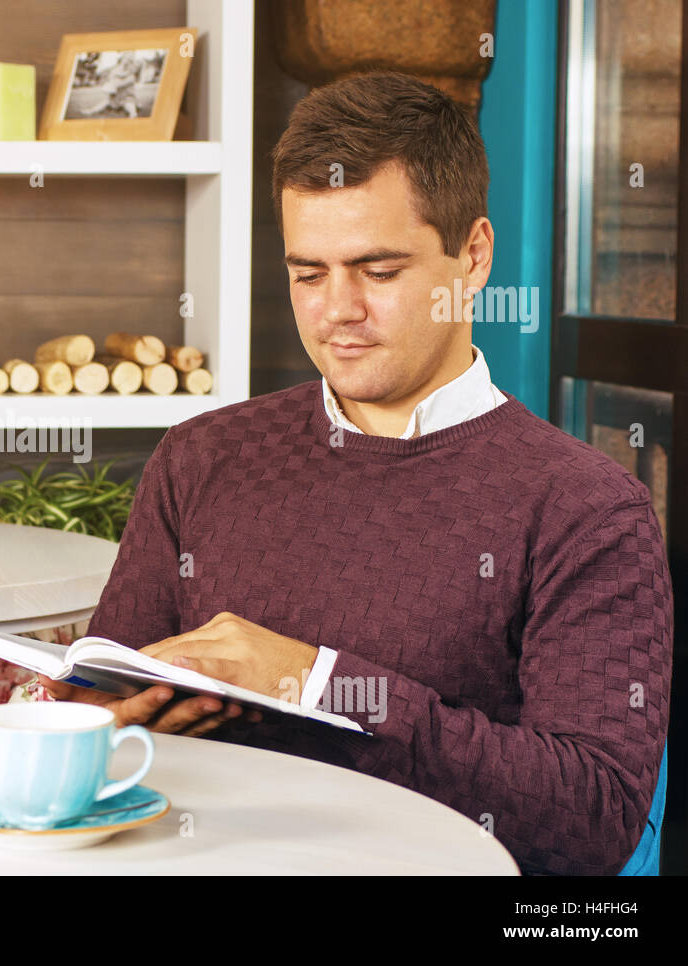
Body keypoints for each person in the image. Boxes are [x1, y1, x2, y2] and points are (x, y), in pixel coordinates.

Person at [41, 70, 672, 876]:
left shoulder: (588, 510)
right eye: (308, 273)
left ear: (472, 258)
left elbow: (592, 819)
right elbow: (114, 689)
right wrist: (100, 716)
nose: (337, 309)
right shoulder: (202, 457)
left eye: (379, 272)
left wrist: (317, 679)